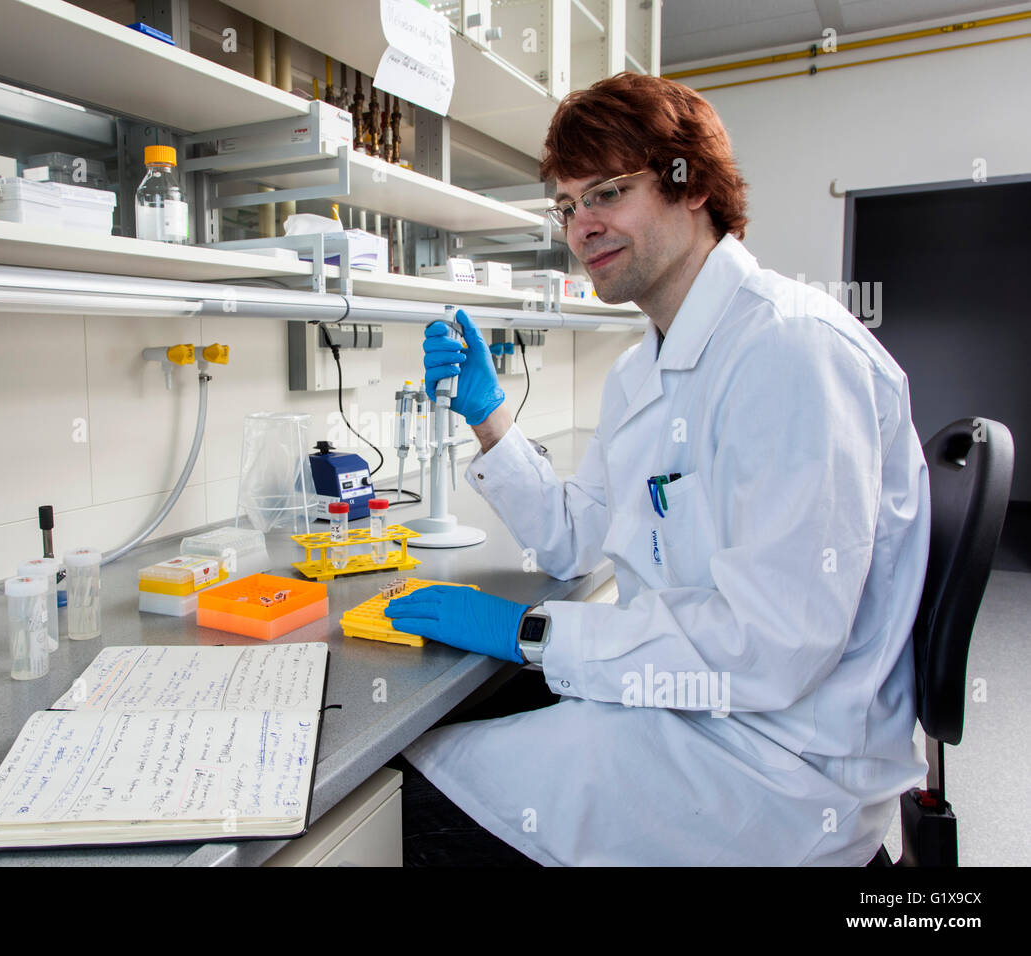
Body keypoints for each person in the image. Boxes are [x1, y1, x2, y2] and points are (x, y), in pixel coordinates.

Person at [385, 72, 930, 866]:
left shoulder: (790, 350)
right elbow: (574, 542)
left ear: (694, 184)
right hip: (693, 713)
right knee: (447, 745)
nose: (581, 226)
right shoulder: (645, 368)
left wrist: (529, 630)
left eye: (607, 192)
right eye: (567, 206)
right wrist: (487, 414)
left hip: (777, 768)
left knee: (395, 812)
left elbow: (774, 645)